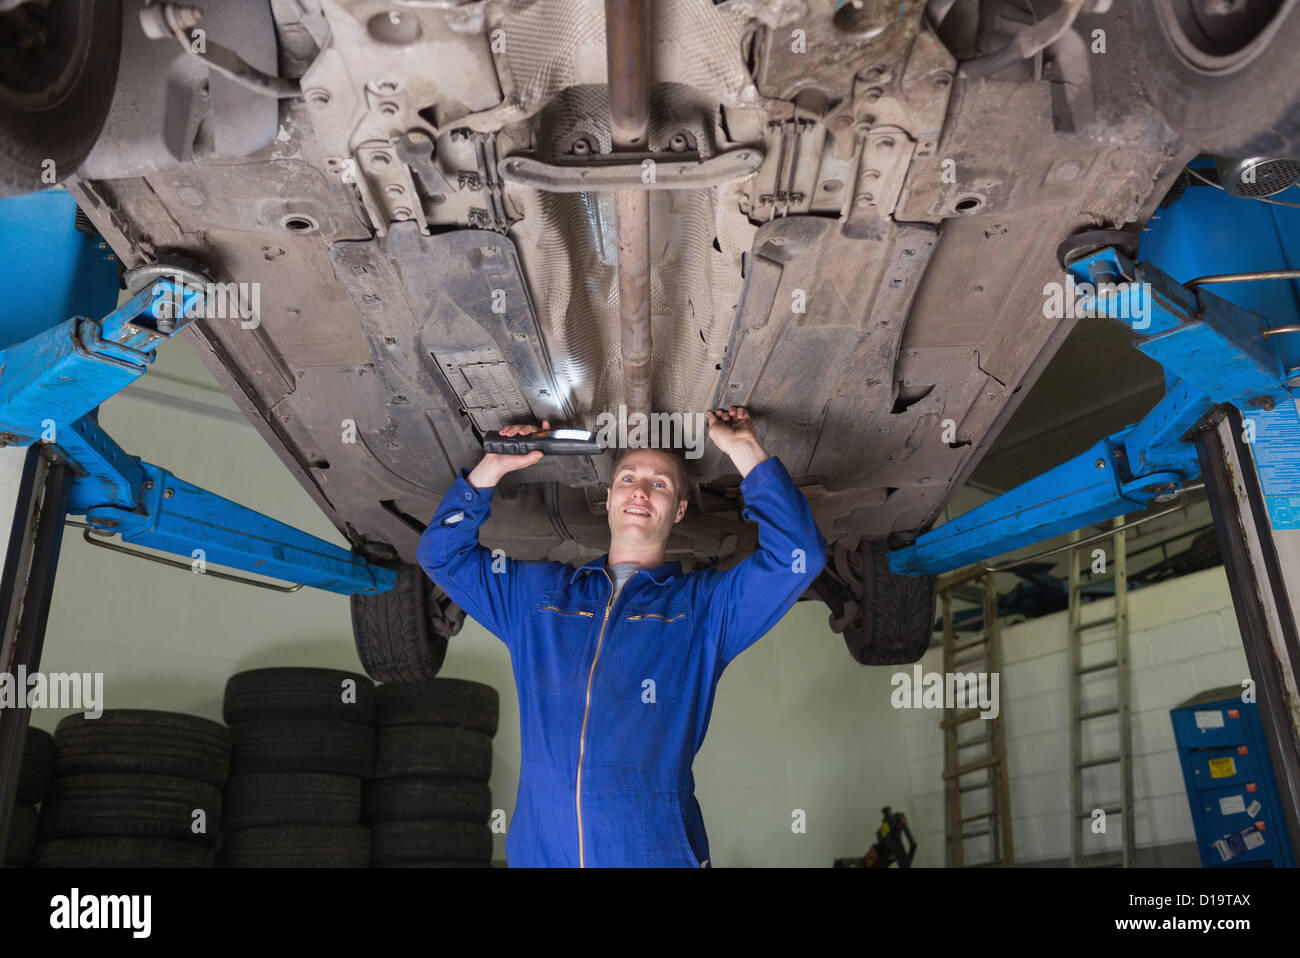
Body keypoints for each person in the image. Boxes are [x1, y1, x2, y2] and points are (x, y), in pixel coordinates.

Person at [418, 406, 827, 867]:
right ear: (609, 498)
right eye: (629, 479)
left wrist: (743, 449)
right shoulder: (537, 598)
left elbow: (799, 555)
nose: (641, 491)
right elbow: (440, 556)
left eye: (660, 484)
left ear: (679, 510)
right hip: (540, 853)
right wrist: (494, 466)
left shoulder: (704, 611)